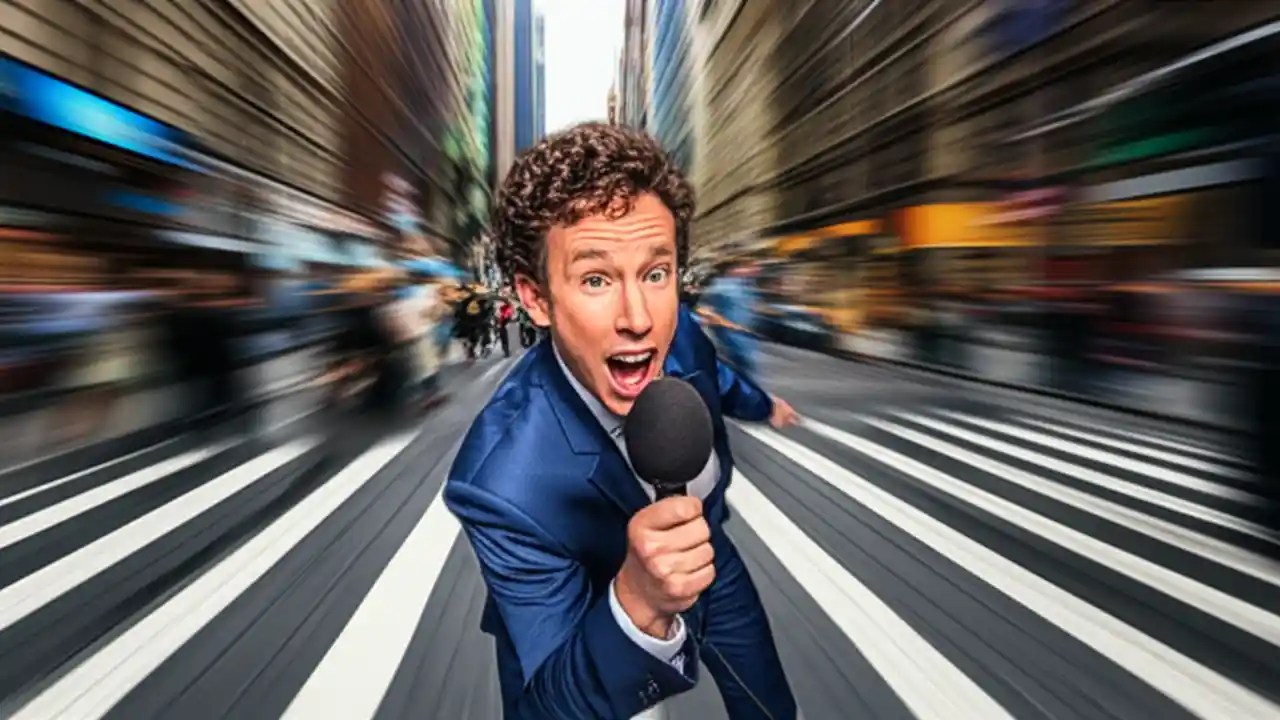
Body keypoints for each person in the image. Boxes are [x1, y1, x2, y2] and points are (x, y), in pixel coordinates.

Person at [445, 123, 801, 719]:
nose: (638, 318)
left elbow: (718, 381)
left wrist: (765, 405)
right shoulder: (503, 483)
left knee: (770, 708)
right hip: (581, 614)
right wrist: (636, 601)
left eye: (655, 273)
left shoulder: (681, 332)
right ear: (536, 299)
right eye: (595, 279)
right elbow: (553, 706)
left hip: (709, 559)